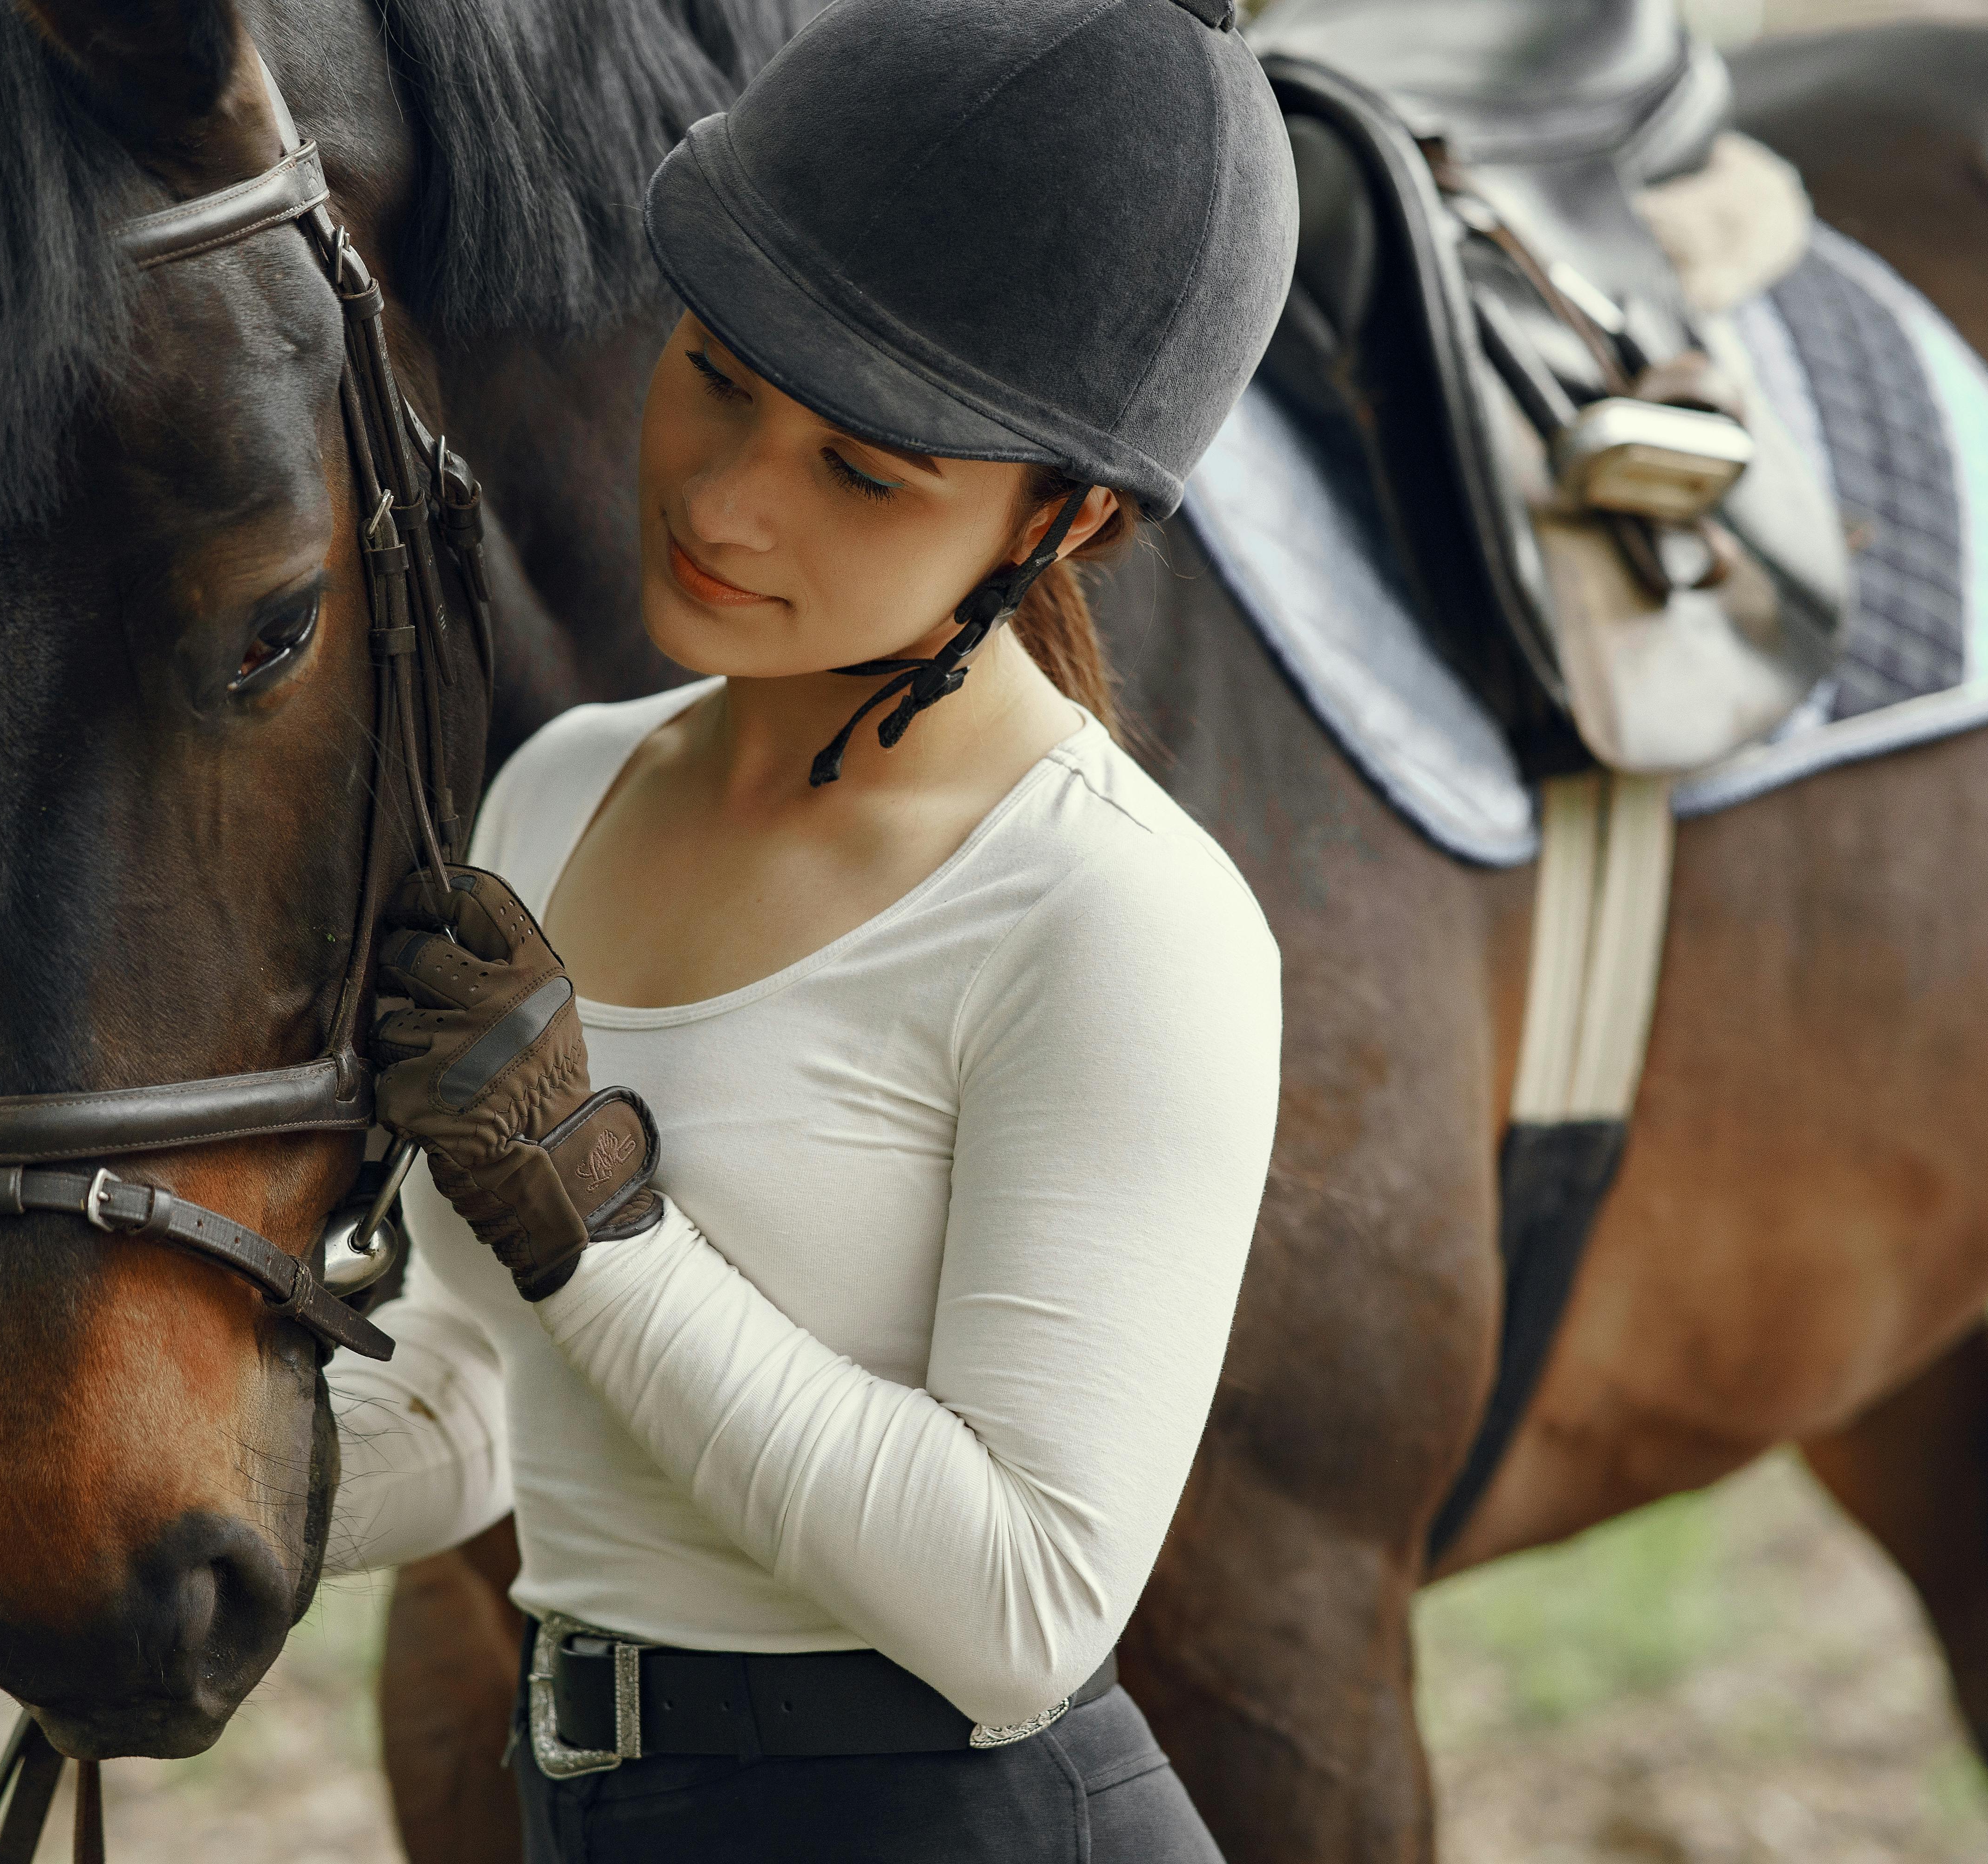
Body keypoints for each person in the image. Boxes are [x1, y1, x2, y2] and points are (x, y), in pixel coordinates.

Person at [330, 0, 1296, 1854]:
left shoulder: (1114, 917)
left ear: (1065, 516)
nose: (719, 495)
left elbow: (1023, 1614)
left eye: (861, 472)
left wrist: (596, 1217)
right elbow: (481, 1397)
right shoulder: (559, 794)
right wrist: (137, 1513)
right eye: (713, 372)